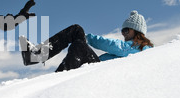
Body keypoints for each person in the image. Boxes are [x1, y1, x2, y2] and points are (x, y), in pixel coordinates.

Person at [20, 10, 154, 72]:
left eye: (126, 30)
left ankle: (57, 76)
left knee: (78, 38)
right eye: (122, 31)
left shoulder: (141, 49)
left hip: (101, 72)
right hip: (99, 69)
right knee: (76, 32)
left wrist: (87, 38)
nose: (123, 34)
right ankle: (36, 55)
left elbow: (115, 46)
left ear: (137, 32)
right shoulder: (132, 47)